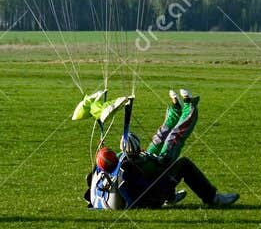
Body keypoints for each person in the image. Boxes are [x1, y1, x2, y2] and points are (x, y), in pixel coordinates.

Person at [80, 89, 238, 209]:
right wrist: (163, 182)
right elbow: (138, 194)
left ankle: (175, 111)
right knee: (178, 153)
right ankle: (212, 198)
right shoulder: (127, 169)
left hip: (149, 187)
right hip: (153, 197)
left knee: (158, 141)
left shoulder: (107, 169)